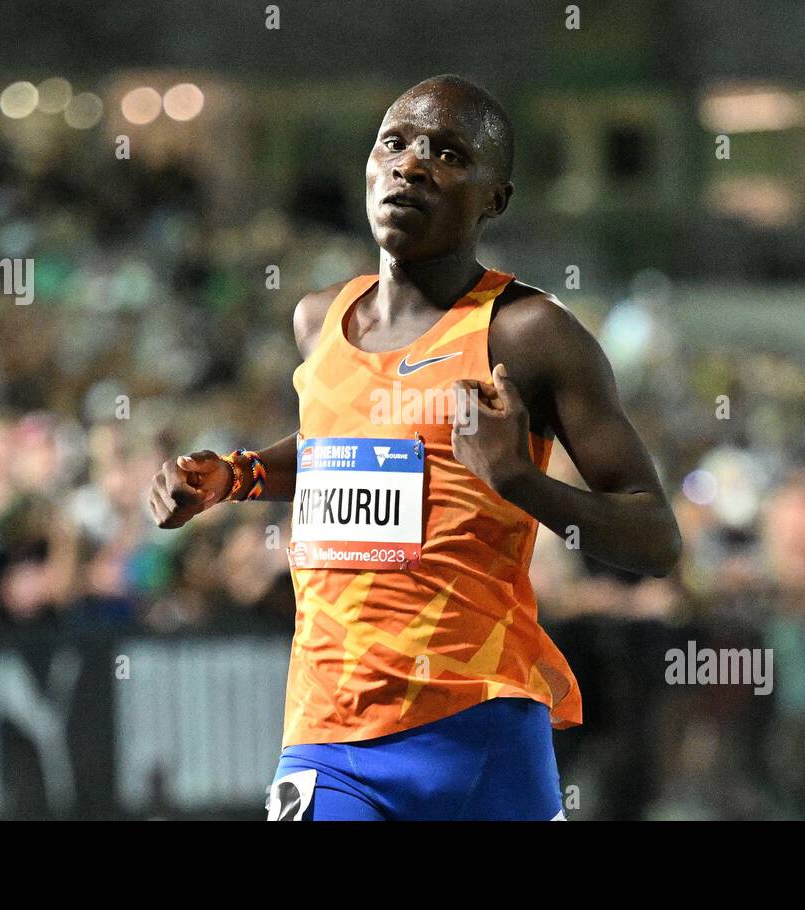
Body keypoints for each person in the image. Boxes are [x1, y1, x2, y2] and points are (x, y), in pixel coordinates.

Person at [149, 74, 680, 820]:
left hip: (479, 730)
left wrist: (519, 481)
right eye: (393, 143)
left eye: (448, 153)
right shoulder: (317, 319)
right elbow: (343, 443)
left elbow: (655, 539)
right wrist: (234, 476)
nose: (411, 165)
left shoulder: (528, 334)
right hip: (328, 733)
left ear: (495, 198)